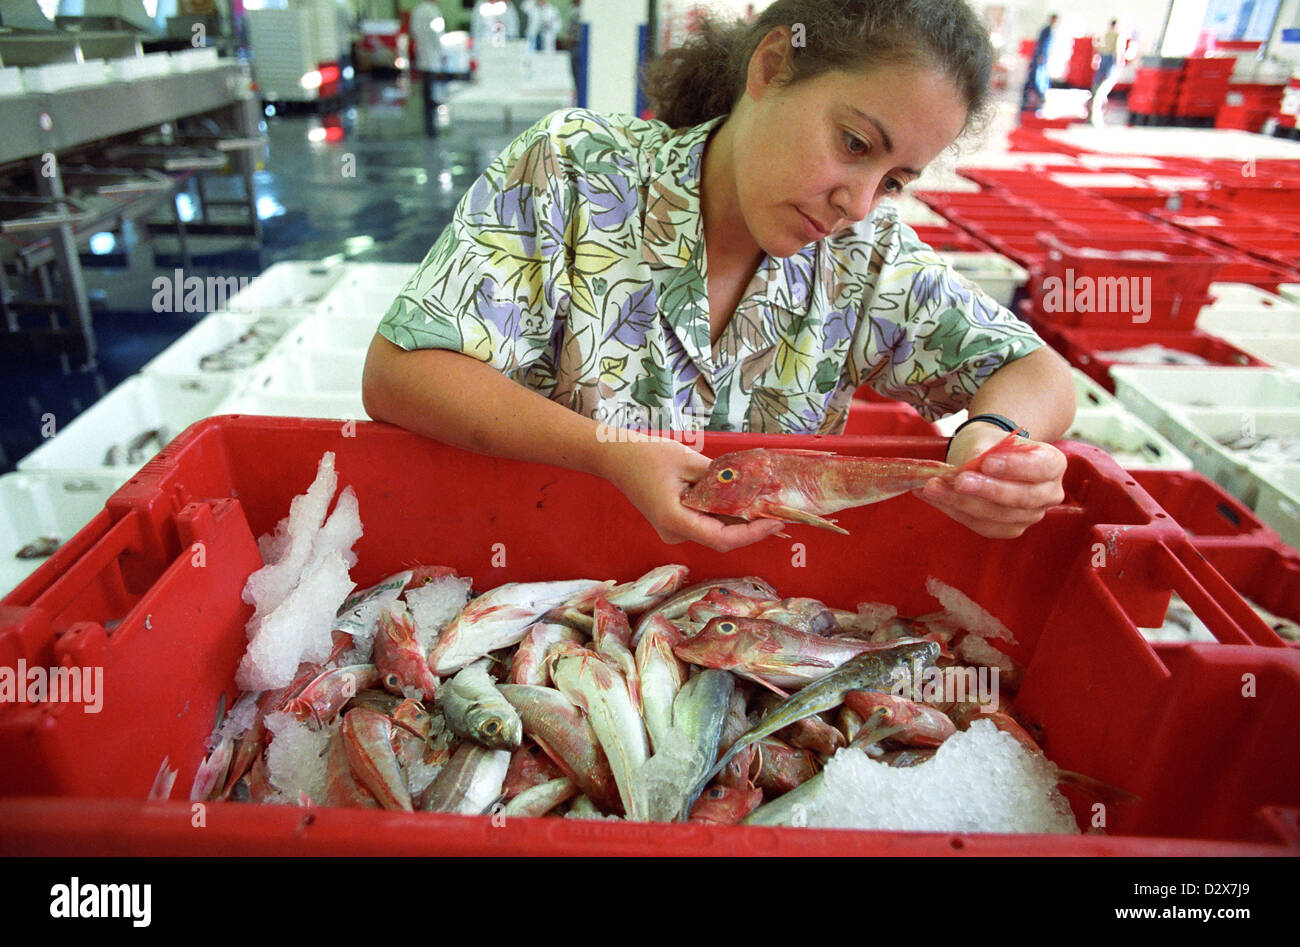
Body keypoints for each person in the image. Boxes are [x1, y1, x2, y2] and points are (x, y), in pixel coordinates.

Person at [364, 0, 1076, 552]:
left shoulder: (865, 258)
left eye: (894, 180)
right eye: (854, 144)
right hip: (539, 577)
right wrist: (608, 454)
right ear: (771, 67)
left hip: (750, 605)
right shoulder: (577, 173)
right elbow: (402, 371)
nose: (857, 202)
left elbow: (1038, 372)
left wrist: (992, 438)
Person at [408, 0, 446, 137]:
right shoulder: (433, 12)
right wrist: (442, 50)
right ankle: (431, 101)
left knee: (426, 77)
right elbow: (438, 34)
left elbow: (413, 30)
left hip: (422, 48)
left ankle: (427, 101)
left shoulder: (418, 10)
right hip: (432, 50)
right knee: (431, 77)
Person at [1020, 13, 1057, 113]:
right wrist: (1040, 55)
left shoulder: (1049, 30)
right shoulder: (1046, 30)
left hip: (1042, 56)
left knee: (1037, 76)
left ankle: (1034, 93)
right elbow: (1041, 44)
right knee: (1035, 76)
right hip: (1039, 56)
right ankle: (1030, 93)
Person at [1089, 18, 1120, 125]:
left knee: (1099, 76)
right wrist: (1118, 61)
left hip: (1103, 56)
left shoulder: (1105, 35)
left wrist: (1097, 55)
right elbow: (1117, 48)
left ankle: (1095, 91)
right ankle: (1101, 95)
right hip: (1109, 57)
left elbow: (1099, 47)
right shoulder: (1116, 35)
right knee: (1108, 78)